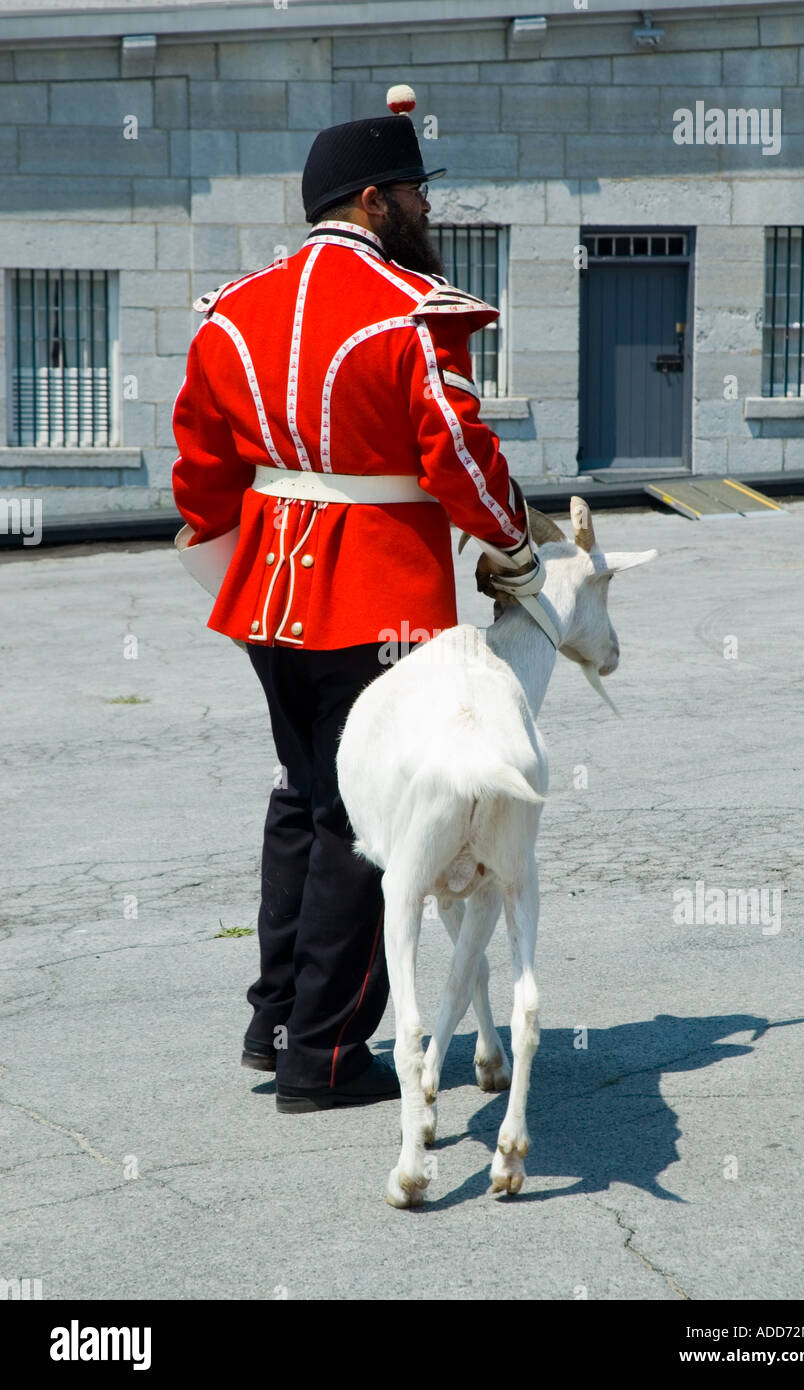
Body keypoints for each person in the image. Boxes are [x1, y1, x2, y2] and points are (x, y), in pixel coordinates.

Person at [171, 115, 543, 1113]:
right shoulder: (415, 311)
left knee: (301, 794)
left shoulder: (232, 312)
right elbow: (460, 461)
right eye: (416, 191)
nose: (429, 207)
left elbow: (201, 474)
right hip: (376, 597)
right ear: (373, 201)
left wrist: (226, 562)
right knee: (358, 819)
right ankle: (325, 1055)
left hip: (266, 596)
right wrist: (515, 546)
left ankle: (276, 1020)